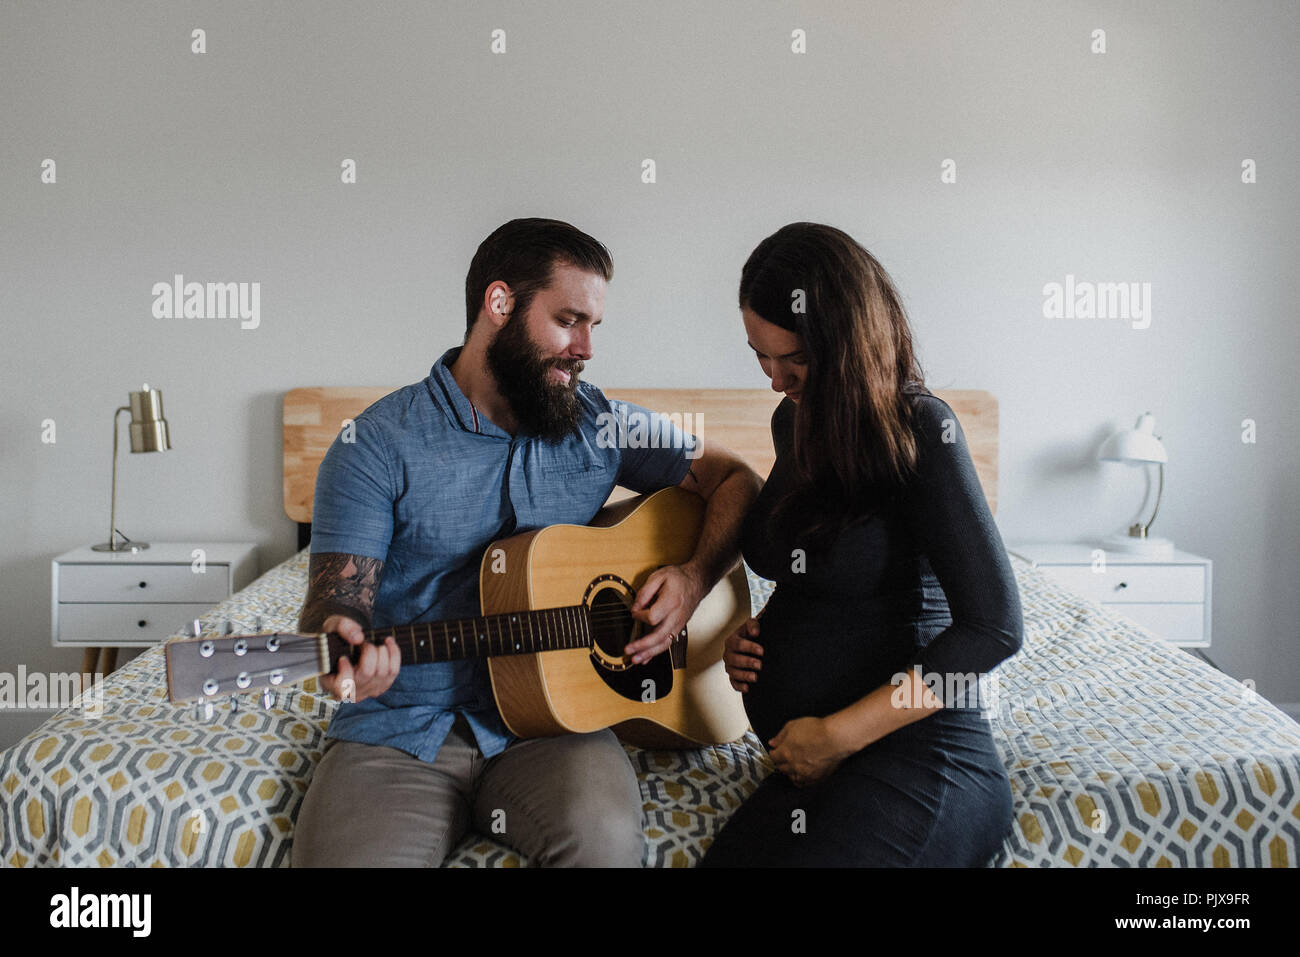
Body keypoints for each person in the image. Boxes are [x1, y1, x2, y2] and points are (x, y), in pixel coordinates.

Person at [290, 218, 761, 868]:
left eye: (594, 326)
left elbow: (735, 478)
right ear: (499, 303)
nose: (586, 348)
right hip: (398, 728)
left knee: (607, 845)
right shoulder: (374, 445)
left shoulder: (600, 424)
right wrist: (344, 662)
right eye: (569, 320)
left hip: (557, 723)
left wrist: (693, 576)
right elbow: (333, 612)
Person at [704, 222, 1023, 867]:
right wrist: (759, 634)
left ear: (844, 343)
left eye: (793, 360)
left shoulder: (921, 430)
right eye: (759, 357)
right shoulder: (796, 420)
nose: (775, 379)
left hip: (918, 757)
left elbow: (994, 629)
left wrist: (838, 734)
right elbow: (829, 561)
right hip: (812, 768)